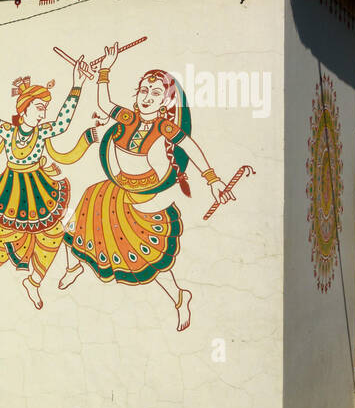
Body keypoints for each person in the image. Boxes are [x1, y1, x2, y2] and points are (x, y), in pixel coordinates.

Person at [59, 42, 236, 331]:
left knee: (145, 254)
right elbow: (104, 103)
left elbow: (190, 146)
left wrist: (213, 179)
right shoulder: (127, 117)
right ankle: (73, 266)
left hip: (144, 198)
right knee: (75, 221)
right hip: (114, 190)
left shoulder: (164, 128)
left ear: (165, 101)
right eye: (143, 90)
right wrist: (106, 67)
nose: (147, 97)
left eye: (155, 94)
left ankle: (179, 297)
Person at [0, 54, 90, 310]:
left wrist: (77, 85)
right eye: (39, 108)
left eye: (45, 109)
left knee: (59, 229)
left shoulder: (43, 131)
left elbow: (63, 123)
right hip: (12, 192)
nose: (43, 113)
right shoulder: (8, 131)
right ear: (24, 109)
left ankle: (36, 281)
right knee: (4, 242)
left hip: (40, 189)